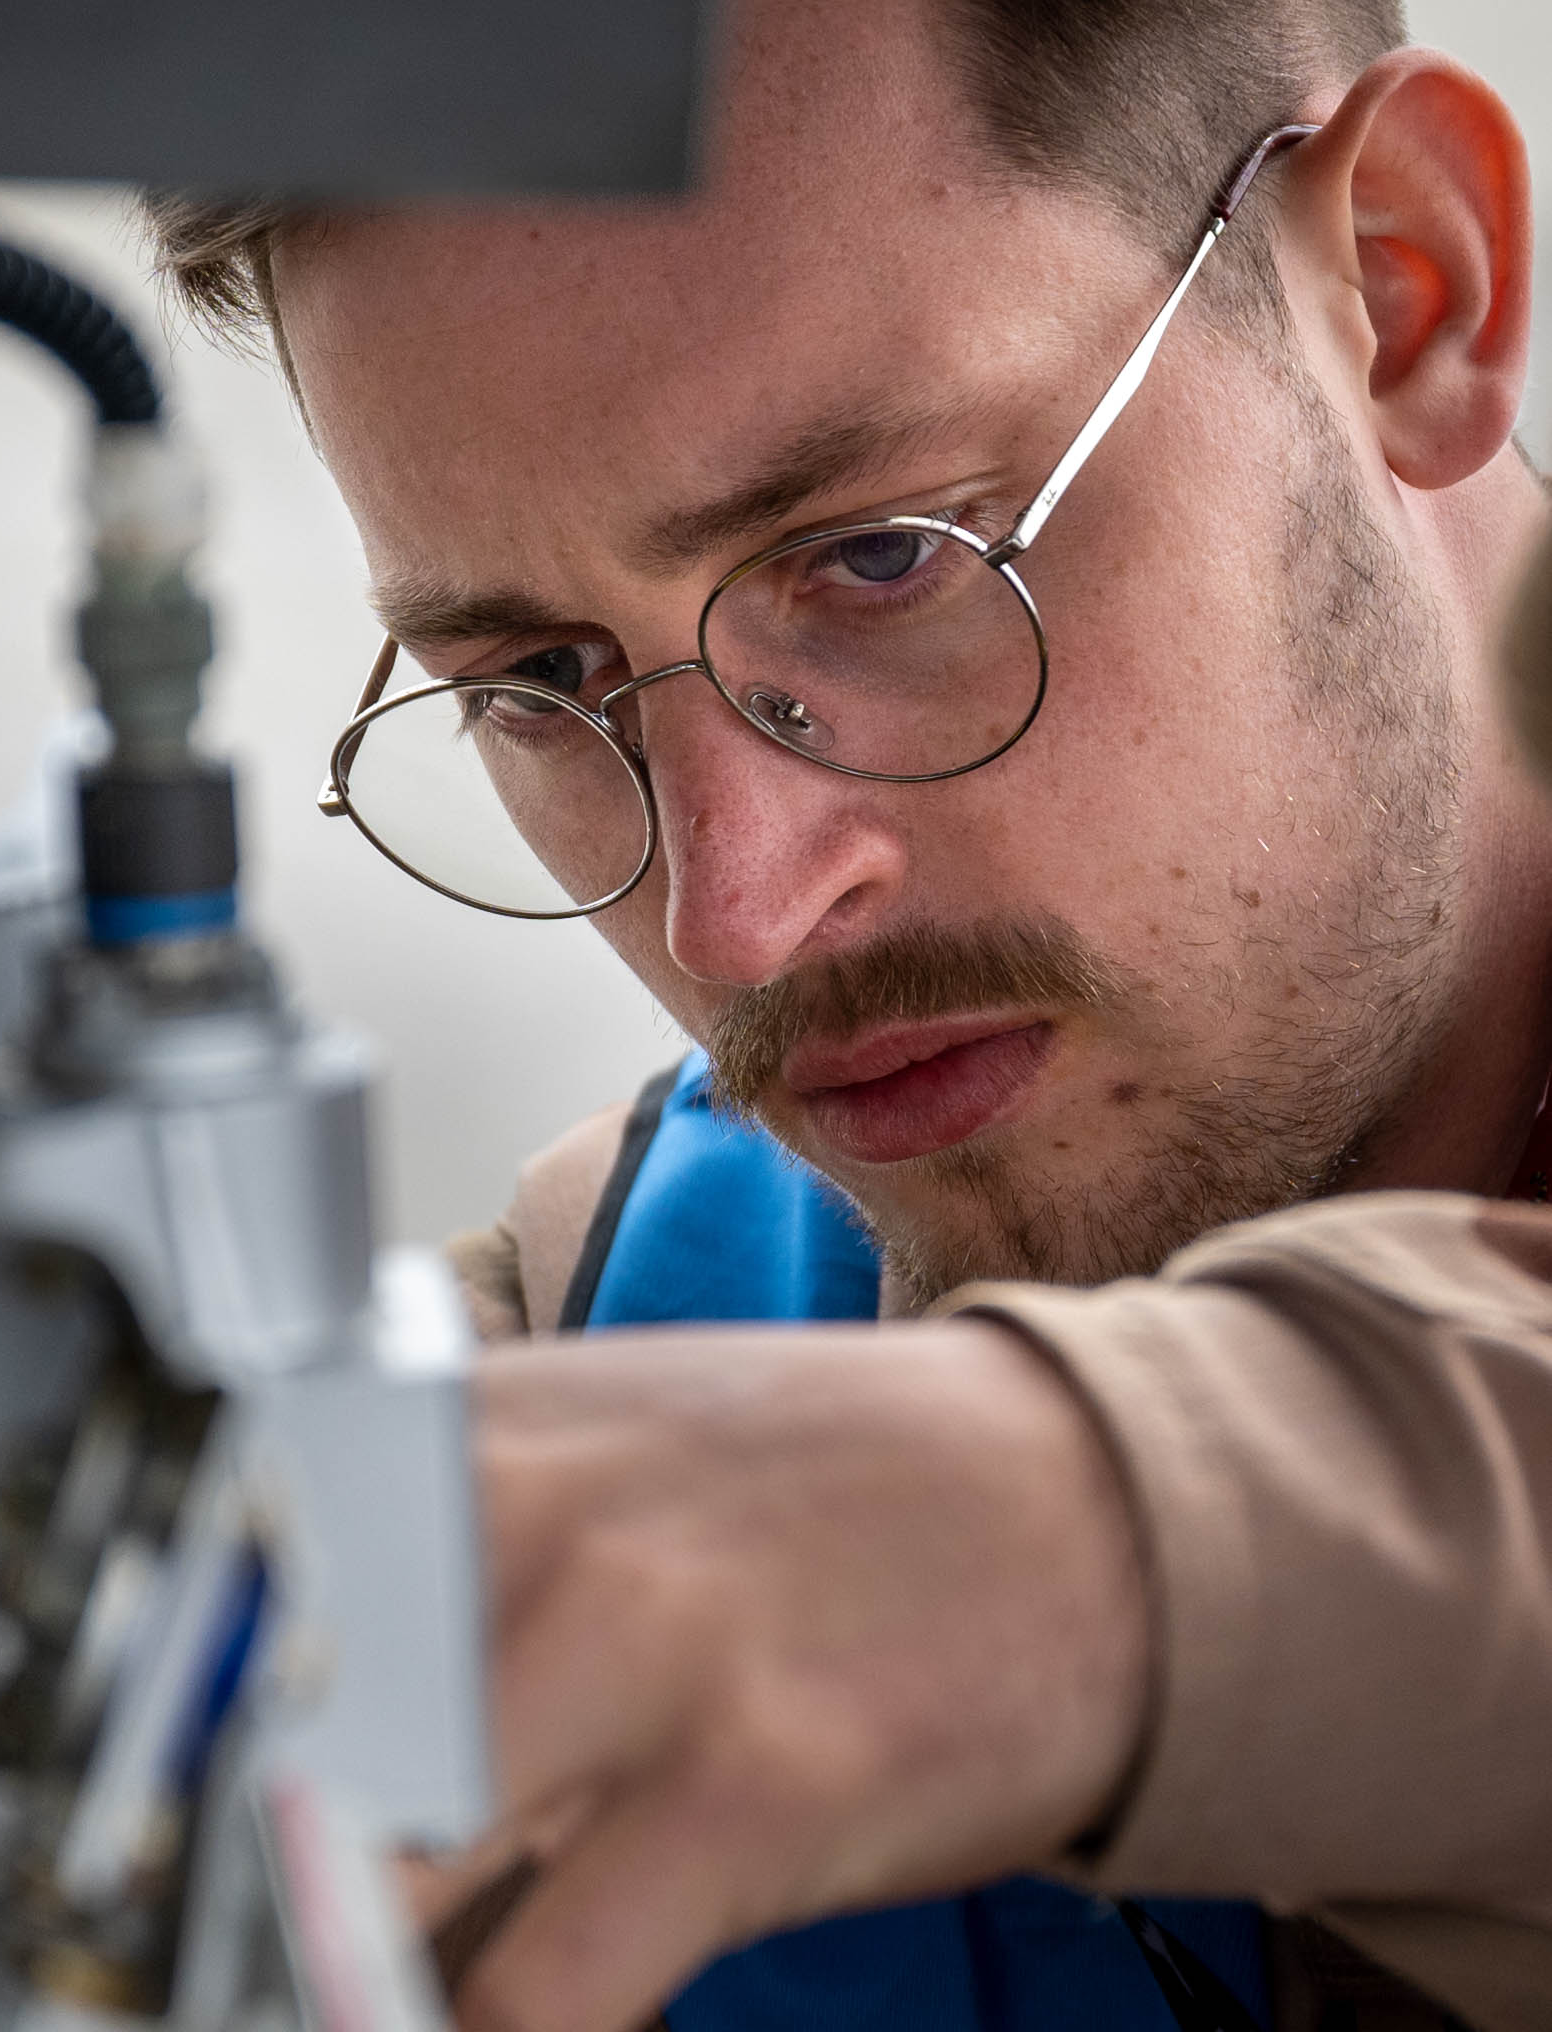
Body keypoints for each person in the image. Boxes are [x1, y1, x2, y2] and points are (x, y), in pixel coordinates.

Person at [148, 3, 1552, 2028]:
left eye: (881, 557)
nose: (738, 910)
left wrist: (1096, 1545)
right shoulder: (641, 1328)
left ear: (1401, 289)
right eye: (540, 678)